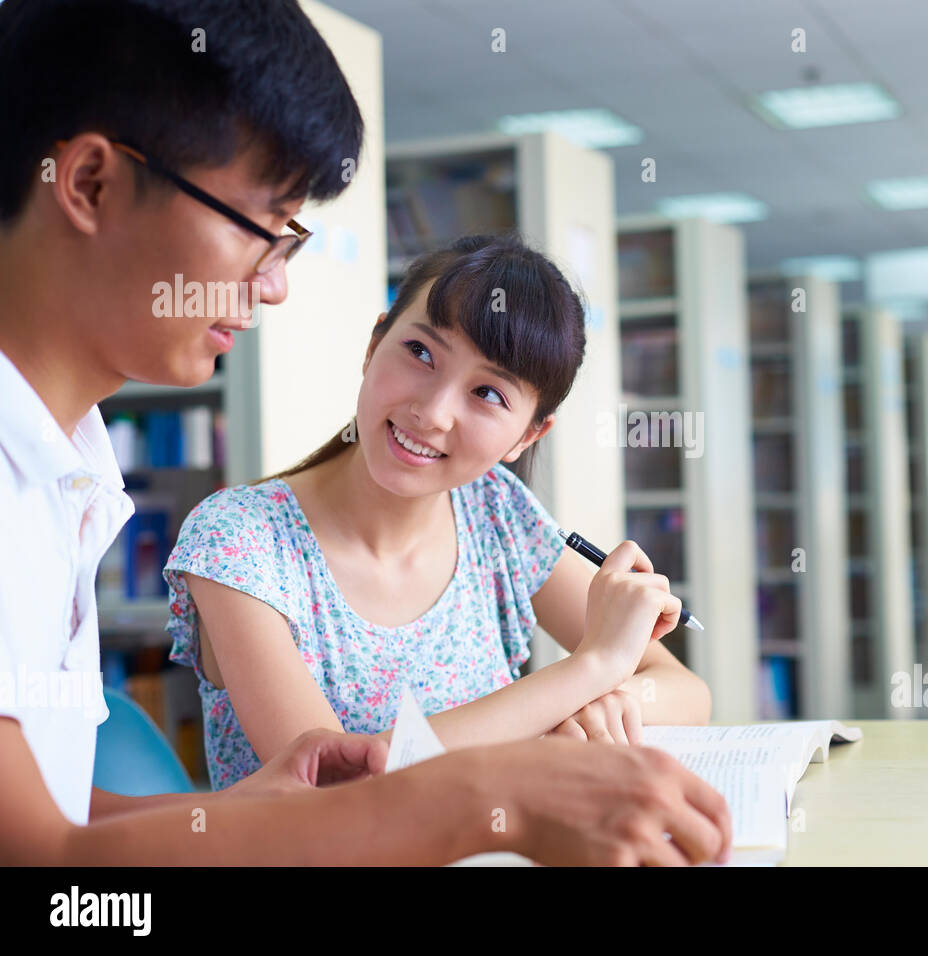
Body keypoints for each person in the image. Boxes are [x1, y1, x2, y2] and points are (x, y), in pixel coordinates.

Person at [0, 0, 730, 865]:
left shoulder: (65, 466)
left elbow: (59, 824)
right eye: (259, 229)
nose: (273, 287)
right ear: (89, 185)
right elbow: (48, 868)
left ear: (534, 432)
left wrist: (253, 814)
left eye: (289, 241)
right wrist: (490, 793)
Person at [165, 235, 711, 789]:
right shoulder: (239, 539)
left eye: (488, 394)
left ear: (528, 434)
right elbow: (337, 785)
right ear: (375, 343)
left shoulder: (494, 509)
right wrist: (589, 671)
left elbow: (687, 690)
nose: (432, 412)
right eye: (420, 353)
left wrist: (613, 700)